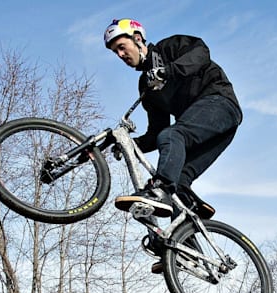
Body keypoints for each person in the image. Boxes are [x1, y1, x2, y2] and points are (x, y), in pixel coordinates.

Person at [103, 18, 241, 222]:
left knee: (173, 137)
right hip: (205, 132)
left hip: (220, 105)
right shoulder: (147, 85)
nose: (120, 55)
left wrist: (168, 71)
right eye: (116, 52)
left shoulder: (169, 48)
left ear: (138, 38)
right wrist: (130, 144)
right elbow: (157, 132)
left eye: (122, 47)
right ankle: (184, 245)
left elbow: (201, 53)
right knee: (179, 187)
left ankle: (159, 190)